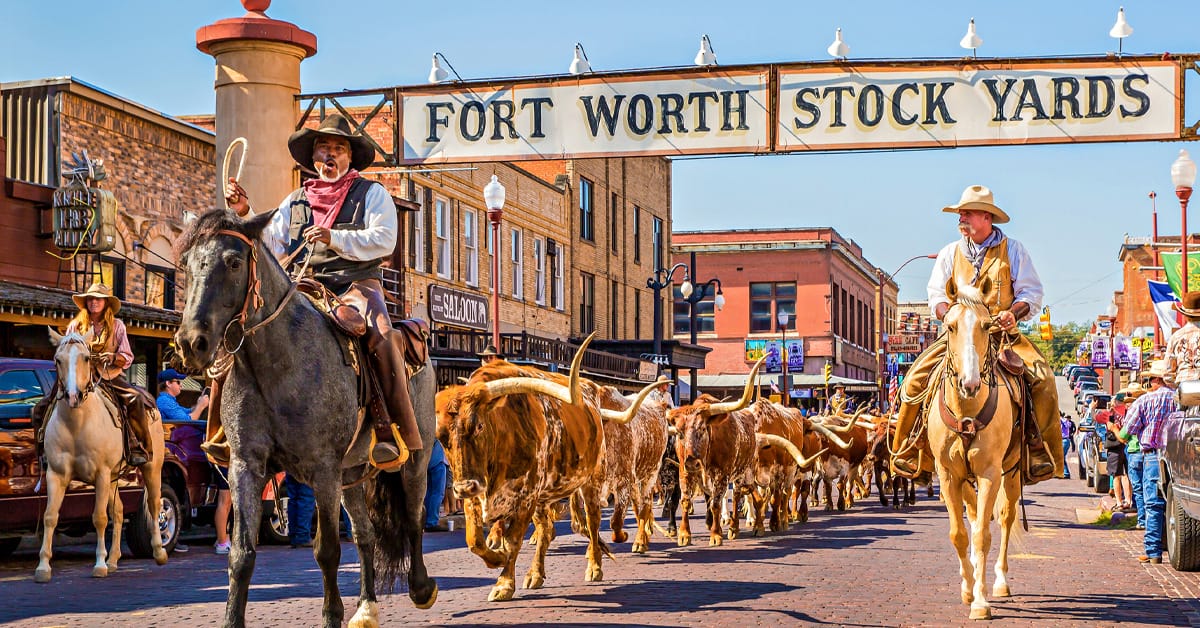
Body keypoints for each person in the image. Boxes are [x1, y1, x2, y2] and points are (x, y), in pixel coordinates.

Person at [224, 113, 419, 470]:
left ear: (349, 157)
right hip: (301, 288)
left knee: (384, 336)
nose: (329, 156)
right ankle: (227, 430)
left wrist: (335, 237)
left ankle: (391, 430)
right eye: (323, 149)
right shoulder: (295, 201)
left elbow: (384, 240)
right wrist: (244, 213)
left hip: (356, 285)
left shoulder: (371, 194)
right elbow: (270, 245)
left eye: (338, 149)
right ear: (313, 158)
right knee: (241, 329)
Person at [890, 185, 1058, 483]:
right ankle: (909, 449)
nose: (961, 217)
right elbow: (936, 296)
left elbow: (1031, 293)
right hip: (958, 336)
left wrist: (1012, 313)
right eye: (960, 213)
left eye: (967, 213)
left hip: (1002, 336)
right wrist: (949, 316)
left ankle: (1039, 450)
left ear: (986, 217)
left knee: (1043, 379)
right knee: (914, 380)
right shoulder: (949, 253)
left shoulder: (1013, 250)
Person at [32, 283, 154, 467]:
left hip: (108, 376)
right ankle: (43, 451)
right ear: (86, 303)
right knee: (40, 407)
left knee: (135, 399)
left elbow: (127, 356)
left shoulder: (117, 326)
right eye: (90, 299)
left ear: (106, 303)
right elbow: (65, 351)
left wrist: (112, 357)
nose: (94, 302)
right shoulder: (75, 325)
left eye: (98, 299)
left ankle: (139, 446)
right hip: (78, 376)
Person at [1117, 360, 1177, 564]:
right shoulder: (1179, 399)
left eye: (1151, 378)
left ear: (1157, 380)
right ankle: (1171, 545)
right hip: (1180, 455)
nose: (1149, 382)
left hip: (1153, 454)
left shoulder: (1144, 401)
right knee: (1177, 504)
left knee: (1153, 503)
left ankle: (1154, 552)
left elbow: (1126, 432)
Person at [284, 473, 315, 549]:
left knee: (293, 499)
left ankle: (294, 537)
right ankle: (302, 537)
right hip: (305, 465)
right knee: (306, 497)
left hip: (289, 466)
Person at [424, 440, 449, 533]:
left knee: (428, 493)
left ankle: (426, 520)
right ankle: (431, 522)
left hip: (427, 463)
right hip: (438, 462)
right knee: (438, 493)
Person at [1059, 412, 1075, 480]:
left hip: (1064, 440)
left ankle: (1066, 473)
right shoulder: (1064, 421)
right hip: (1066, 441)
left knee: (1061, 457)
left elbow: (1070, 425)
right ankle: (1062, 472)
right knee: (1061, 457)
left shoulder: (1062, 420)